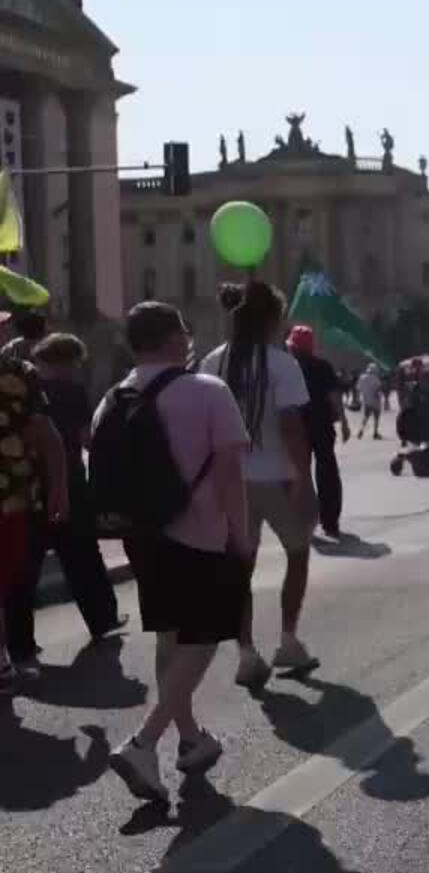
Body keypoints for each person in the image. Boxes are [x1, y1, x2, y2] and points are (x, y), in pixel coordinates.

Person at [98, 302, 251, 799]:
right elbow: (229, 473)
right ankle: (144, 742)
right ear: (172, 338)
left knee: (170, 639)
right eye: (185, 331)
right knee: (202, 641)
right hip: (200, 533)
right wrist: (241, 534)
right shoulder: (208, 390)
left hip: (142, 535)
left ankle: (190, 741)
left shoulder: (113, 397)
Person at [198, 281, 319, 687]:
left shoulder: (213, 362)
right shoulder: (282, 364)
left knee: (240, 568)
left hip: (232, 481)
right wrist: (305, 479)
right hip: (279, 476)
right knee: (298, 553)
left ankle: (247, 652)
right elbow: (292, 428)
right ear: (272, 319)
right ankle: (288, 638)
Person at [6, 334, 122, 664]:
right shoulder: (72, 392)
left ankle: (21, 642)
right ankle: (102, 620)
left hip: (27, 483)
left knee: (24, 566)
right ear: (67, 361)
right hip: (68, 480)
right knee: (83, 554)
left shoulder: (21, 388)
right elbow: (86, 438)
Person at [0, 319, 69, 691]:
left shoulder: (18, 373)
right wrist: (60, 488)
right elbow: (45, 434)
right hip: (12, 497)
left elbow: (46, 434)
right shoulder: (19, 374)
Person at [287, 327, 350, 539]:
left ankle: (303, 521)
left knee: (299, 475)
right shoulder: (323, 366)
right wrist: (344, 422)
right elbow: (334, 396)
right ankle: (330, 522)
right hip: (322, 425)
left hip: (297, 427)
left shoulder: (288, 368)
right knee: (328, 472)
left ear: (294, 347)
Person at [356, 362, 386, 439]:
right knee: (376, 417)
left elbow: (358, 388)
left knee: (365, 416)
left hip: (366, 400)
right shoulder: (375, 378)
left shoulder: (362, 377)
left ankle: (361, 430)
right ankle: (375, 432)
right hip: (375, 400)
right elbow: (379, 389)